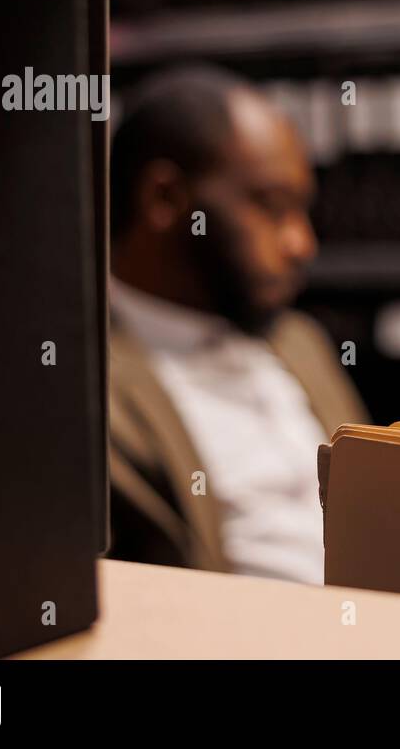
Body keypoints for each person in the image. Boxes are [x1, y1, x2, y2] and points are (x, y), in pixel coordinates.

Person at [106, 64, 367, 582]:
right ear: (165, 200)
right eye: (272, 208)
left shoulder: (299, 341)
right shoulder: (89, 387)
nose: (302, 244)